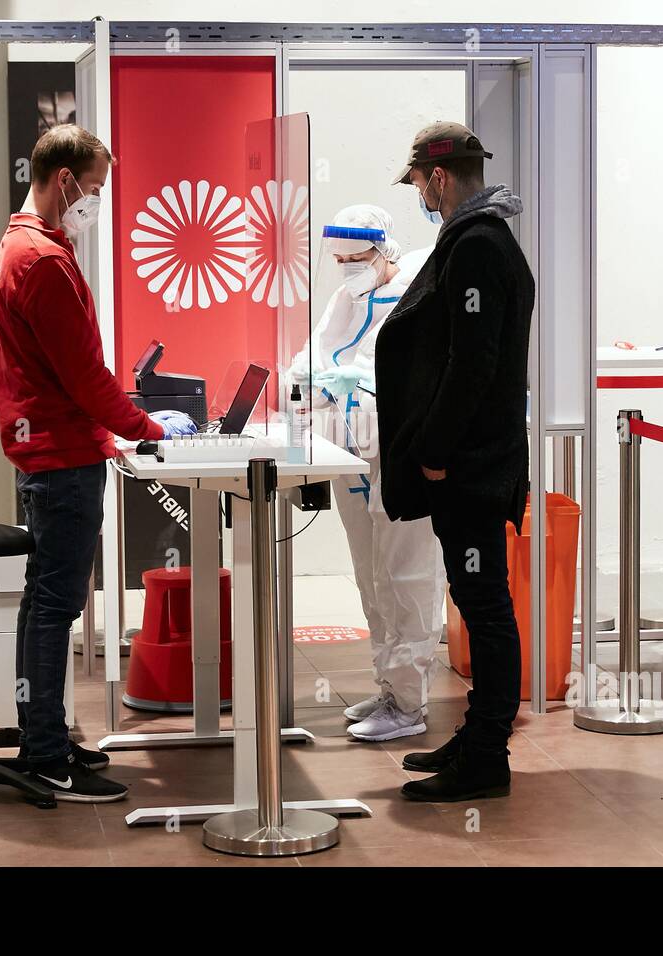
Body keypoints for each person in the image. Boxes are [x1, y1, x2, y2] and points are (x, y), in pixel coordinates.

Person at [0, 124, 196, 802]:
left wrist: (127, 427)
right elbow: (83, 375)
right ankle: (46, 755)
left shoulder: (24, 245)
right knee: (53, 608)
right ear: (66, 180)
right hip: (61, 458)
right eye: (96, 189)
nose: (98, 202)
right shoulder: (42, 261)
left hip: (54, 451)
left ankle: (43, 739)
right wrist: (143, 427)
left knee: (45, 606)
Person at [375, 122, 535, 802]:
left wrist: (434, 453)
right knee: (480, 602)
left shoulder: (475, 246)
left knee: (486, 608)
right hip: (478, 460)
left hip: (470, 466)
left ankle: (488, 756)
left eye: (418, 185)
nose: (422, 197)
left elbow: (472, 365)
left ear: (438, 177)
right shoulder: (485, 239)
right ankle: (477, 737)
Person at [289, 205, 446, 743]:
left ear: (384, 251)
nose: (349, 268)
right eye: (340, 260)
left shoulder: (416, 290)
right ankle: (387, 685)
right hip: (352, 449)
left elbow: (414, 367)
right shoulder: (346, 295)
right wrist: (312, 380)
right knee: (370, 571)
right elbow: (315, 353)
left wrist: (357, 379)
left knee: (408, 574)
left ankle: (409, 701)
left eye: (357, 258)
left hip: (399, 450)